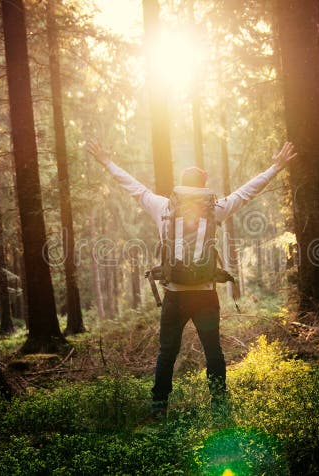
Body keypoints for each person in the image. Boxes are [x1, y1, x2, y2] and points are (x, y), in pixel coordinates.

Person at [86, 139, 297, 418]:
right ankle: (219, 407)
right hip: (205, 296)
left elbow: (134, 187)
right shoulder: (215, 209)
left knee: (167, 352)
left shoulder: (163, 207)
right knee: (213, 352)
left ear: (181, 186)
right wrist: (275, 167)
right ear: (203, 187)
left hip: (175, 296)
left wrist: (106, 162)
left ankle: (159, 408)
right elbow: (246, 192)